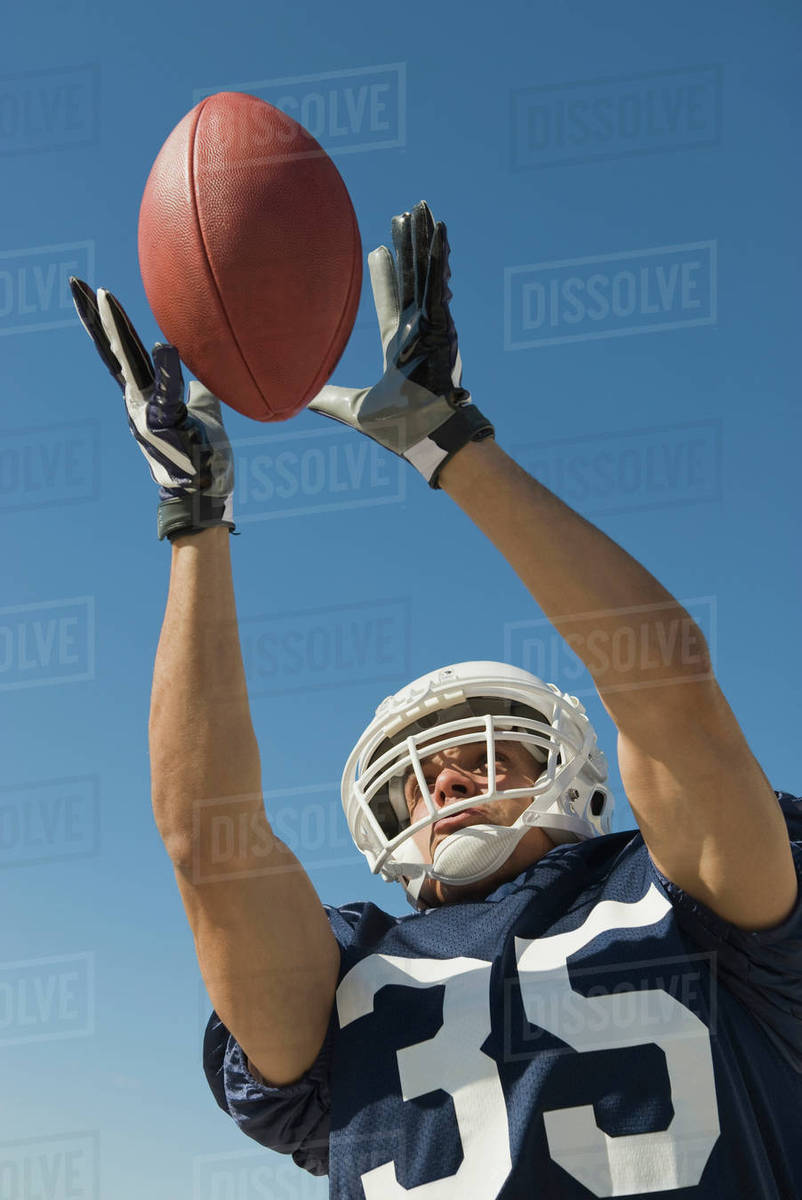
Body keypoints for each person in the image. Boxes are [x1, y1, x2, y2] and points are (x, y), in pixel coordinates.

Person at [71, 201, 802, 1199]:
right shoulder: (352, 970)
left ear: (575, 773)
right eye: (413, 780)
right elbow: (207, 846)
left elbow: (670, 692)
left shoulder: (689, 898)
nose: (448, 779)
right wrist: (194, 518)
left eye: (489, 753)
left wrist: (454, 448)